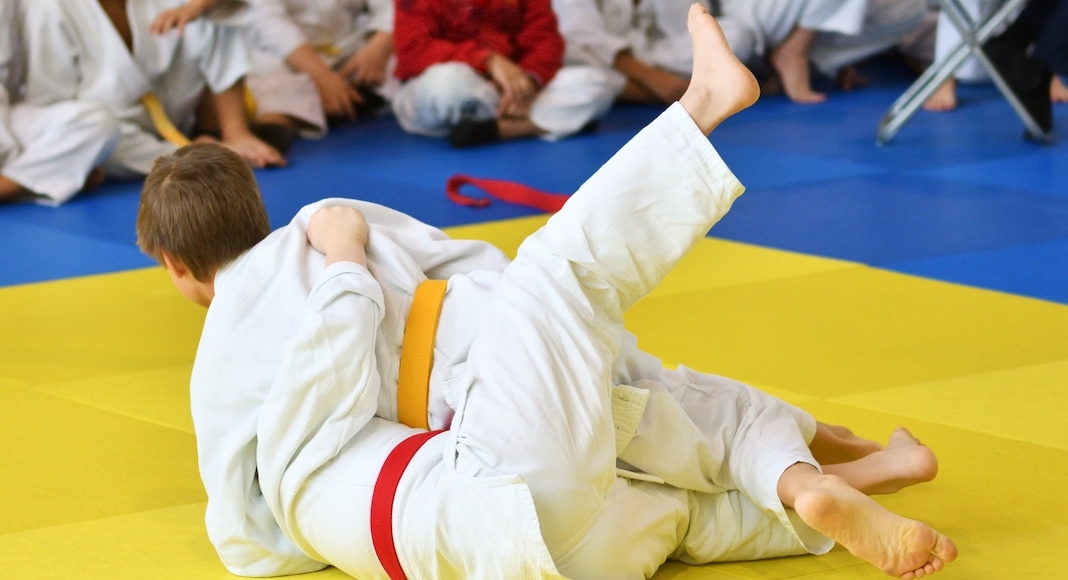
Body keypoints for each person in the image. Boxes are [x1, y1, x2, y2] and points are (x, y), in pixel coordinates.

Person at [138, 6, 958, 579]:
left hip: (520, 547)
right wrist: (351, 259)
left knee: (677, 514)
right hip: (493, 459)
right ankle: (703, 104)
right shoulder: (321, 231)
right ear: (256, 212)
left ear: (174, 265)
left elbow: (243, 541)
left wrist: (308, 538)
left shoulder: (228, 378)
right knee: (570, 290)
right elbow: (456, 273)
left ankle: (825, 484)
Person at [16, 0, 283, 199]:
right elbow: (52, 104)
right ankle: (190, 154)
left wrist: (199, 5)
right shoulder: (48, 7)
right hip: (118, 137)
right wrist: (77, 158)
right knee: (96, 136)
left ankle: (236, 133)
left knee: (210, 11)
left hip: (174, 112)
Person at [390, 0, 623, 147]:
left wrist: (527, 82)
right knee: (447, 85)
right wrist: (488, 60)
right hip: (455, 89)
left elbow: (545, 41)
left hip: (511, 90)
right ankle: (550, 121)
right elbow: (414, 52)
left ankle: (501, 130)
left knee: (596, 83)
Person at [0, 0, 119, 204]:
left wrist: (69, 164)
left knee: (96, 123)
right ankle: (34, 182)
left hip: (8, 121)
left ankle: (22, 183)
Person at [718, 0, 926, 103]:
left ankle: (813, 59)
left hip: (791, 14)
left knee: (907, 7)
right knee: (734, 40)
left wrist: (844, 54)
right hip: (740, 16)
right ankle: (793, 52)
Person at [550, 0, 709, 105]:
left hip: (647, 51)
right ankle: (672, 92)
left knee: (717, 35)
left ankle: (677, 89)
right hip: (596, 58)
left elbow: (683, 26)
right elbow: (581, 35)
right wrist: (651, 76)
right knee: (589, 79)